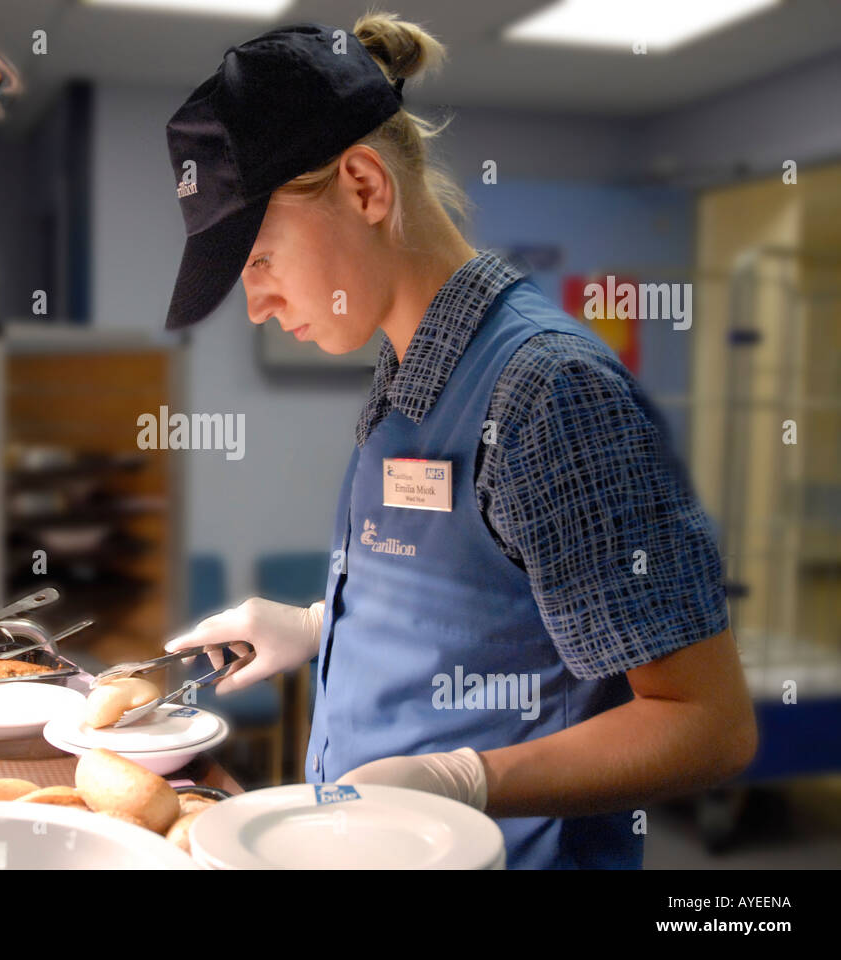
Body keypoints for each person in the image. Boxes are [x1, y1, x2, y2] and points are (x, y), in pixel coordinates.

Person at [159, 12, 757, 869]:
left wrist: (464, 777)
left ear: (365, 187)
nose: (254, 304)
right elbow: (490, 605)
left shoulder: (549, 392)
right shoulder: (409, 370)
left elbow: (707, 724)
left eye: (257, 260)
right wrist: (319, 624)